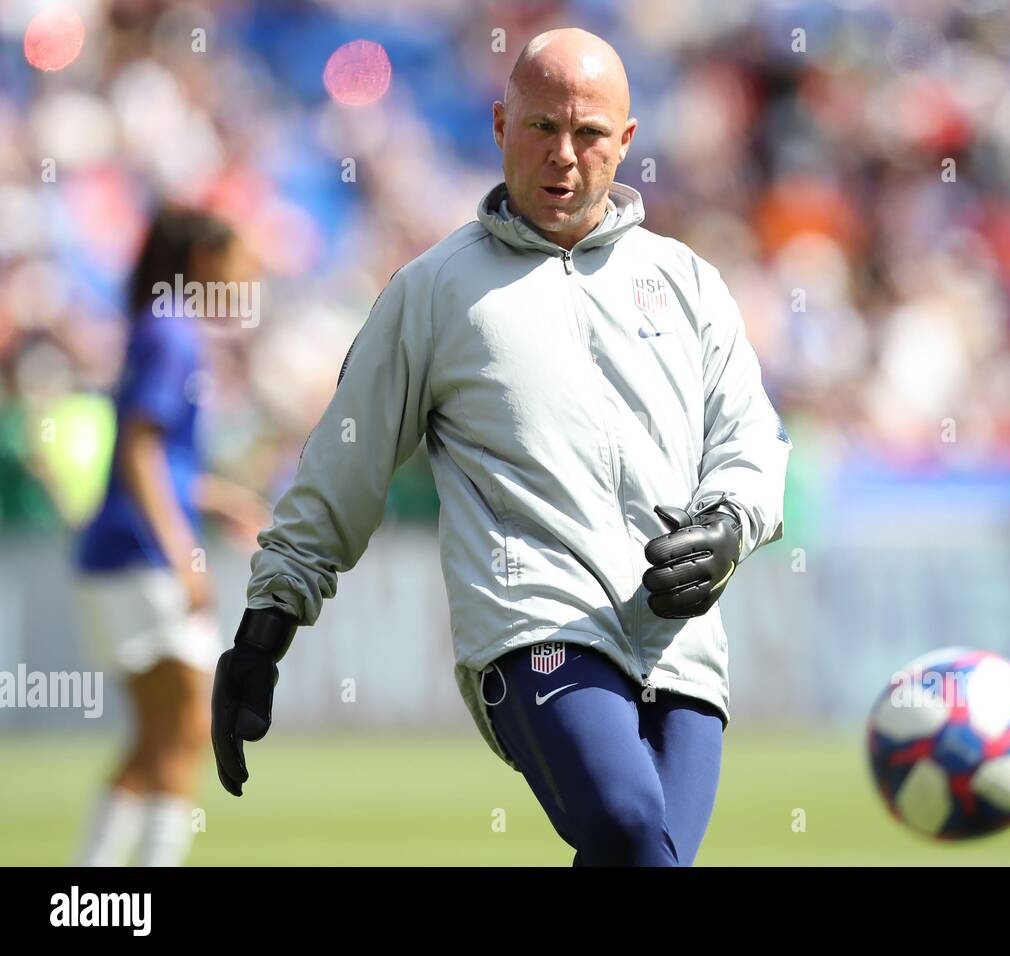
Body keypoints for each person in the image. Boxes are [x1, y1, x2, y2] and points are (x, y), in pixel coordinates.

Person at [211, 27, 791, 866]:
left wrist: (732, 525)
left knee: (644, 857)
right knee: (630, 827)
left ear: (626, 143)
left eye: (589, 133)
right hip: (536, 630)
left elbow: (751, 439)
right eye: (540, 127)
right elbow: (345, 465)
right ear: (497, 125)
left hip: (681, 646)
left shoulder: (689, 282)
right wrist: (264, 632)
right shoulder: (433, 292)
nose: (564, 155)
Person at [75, 206, 268, 866]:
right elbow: (137, 454)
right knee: (185, 728)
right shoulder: (174, 334)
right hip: (141, 554)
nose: (250, 269)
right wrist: (184, 555)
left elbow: (157, 459)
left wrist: (215, 499)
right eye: (240, 254)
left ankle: (92, 881)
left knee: (161, 735)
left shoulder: (159, 328)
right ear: (204, 260)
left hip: (123, 551)